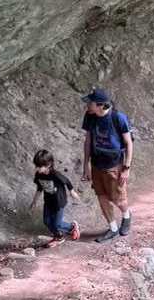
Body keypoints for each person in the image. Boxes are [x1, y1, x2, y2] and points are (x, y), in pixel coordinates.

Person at [81, 87, 133, 243]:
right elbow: (88, 141)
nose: (87, 105)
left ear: (100, 105)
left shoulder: (118, 118)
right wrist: (86, 165)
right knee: (101, 196)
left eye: (90, 103)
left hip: (114, 165)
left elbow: (128, 143)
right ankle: (113, 228)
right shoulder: (90, 116)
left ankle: (126, 215)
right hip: (97, 164)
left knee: (118, 199)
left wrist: (126, 168)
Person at [31, 148, 80, 245]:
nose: (37, 168)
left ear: (48, 165)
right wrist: (34, 201)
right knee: (47, 221)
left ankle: (72, 227)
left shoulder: (55, 175)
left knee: (57, 224)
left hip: (59, 202)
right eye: (36, 166)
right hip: (48, 201)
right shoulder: (39, 175)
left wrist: (72, 192)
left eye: (40, 166)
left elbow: (67, 181)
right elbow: (39, 188)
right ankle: (58, 236)